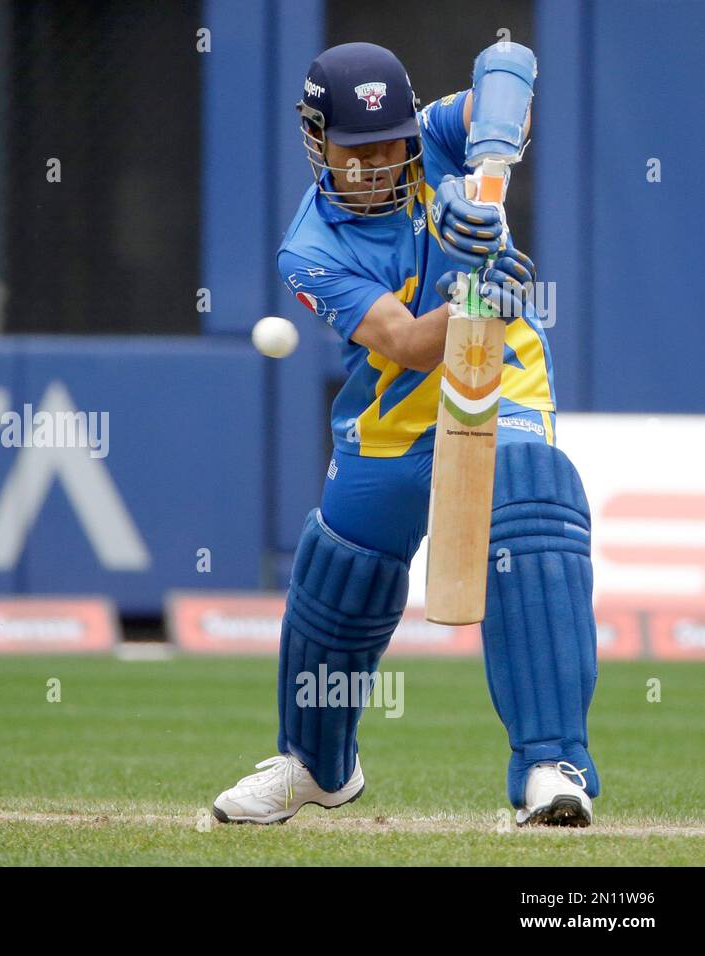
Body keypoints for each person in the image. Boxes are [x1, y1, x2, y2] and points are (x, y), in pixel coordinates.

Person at [211, 41, 600, 827]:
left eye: (393, 149)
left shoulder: (434, 138)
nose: (379, 167)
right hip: (397, 400)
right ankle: (315, 766)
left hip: (500, 373)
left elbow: (510, 67)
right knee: (340, 564)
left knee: (529, 500)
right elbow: (412, 343)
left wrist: (484, 181)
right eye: (358, 152)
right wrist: (474, 294)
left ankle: (552, 765)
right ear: (317, 140)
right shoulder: (310, 249)